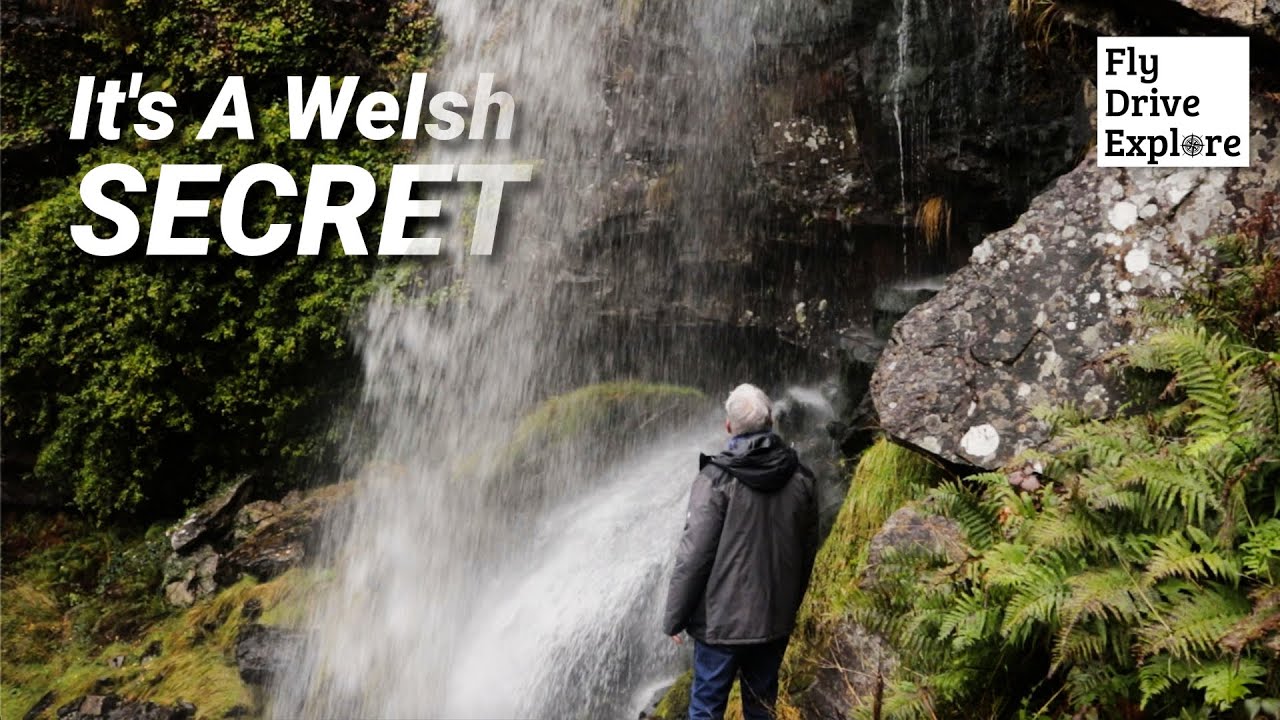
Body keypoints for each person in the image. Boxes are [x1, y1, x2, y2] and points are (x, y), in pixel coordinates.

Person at [662, 383, 820, 720]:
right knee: (761, 707)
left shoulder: (716, 479)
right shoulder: (802, 478)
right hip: (773, 618)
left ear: (729, 426)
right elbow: (807, 553)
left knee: (706, 709)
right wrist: (789, 604)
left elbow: (694, 554)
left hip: (720, 623)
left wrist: (675, 616)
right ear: (772, 422)